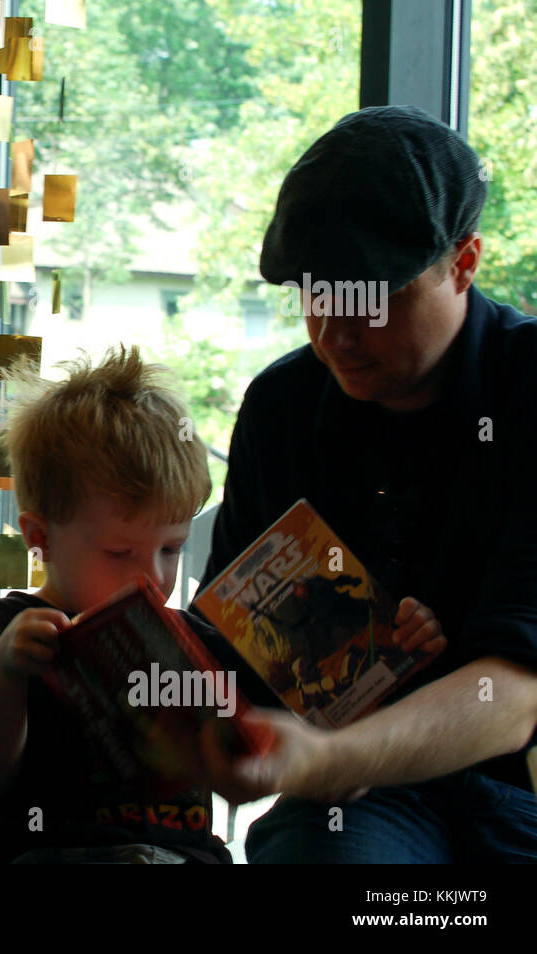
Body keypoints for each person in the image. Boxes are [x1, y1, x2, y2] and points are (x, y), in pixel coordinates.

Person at [195, 105, 537, 862]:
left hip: (516, 785)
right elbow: (235, 650)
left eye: (373, 296)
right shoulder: (282, 408)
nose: (337, 333)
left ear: (465, 262)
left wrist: (328, 757)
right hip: (360, 806)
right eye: (315, 296)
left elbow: (515, 695)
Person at [0, 347, 441, 863]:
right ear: (39, 536)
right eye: (120, 552)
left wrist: (385, 661)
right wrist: (7, 672)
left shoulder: (197, 645)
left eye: (172, 548)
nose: (154, 575)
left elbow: (310, 769)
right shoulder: (2, 637)